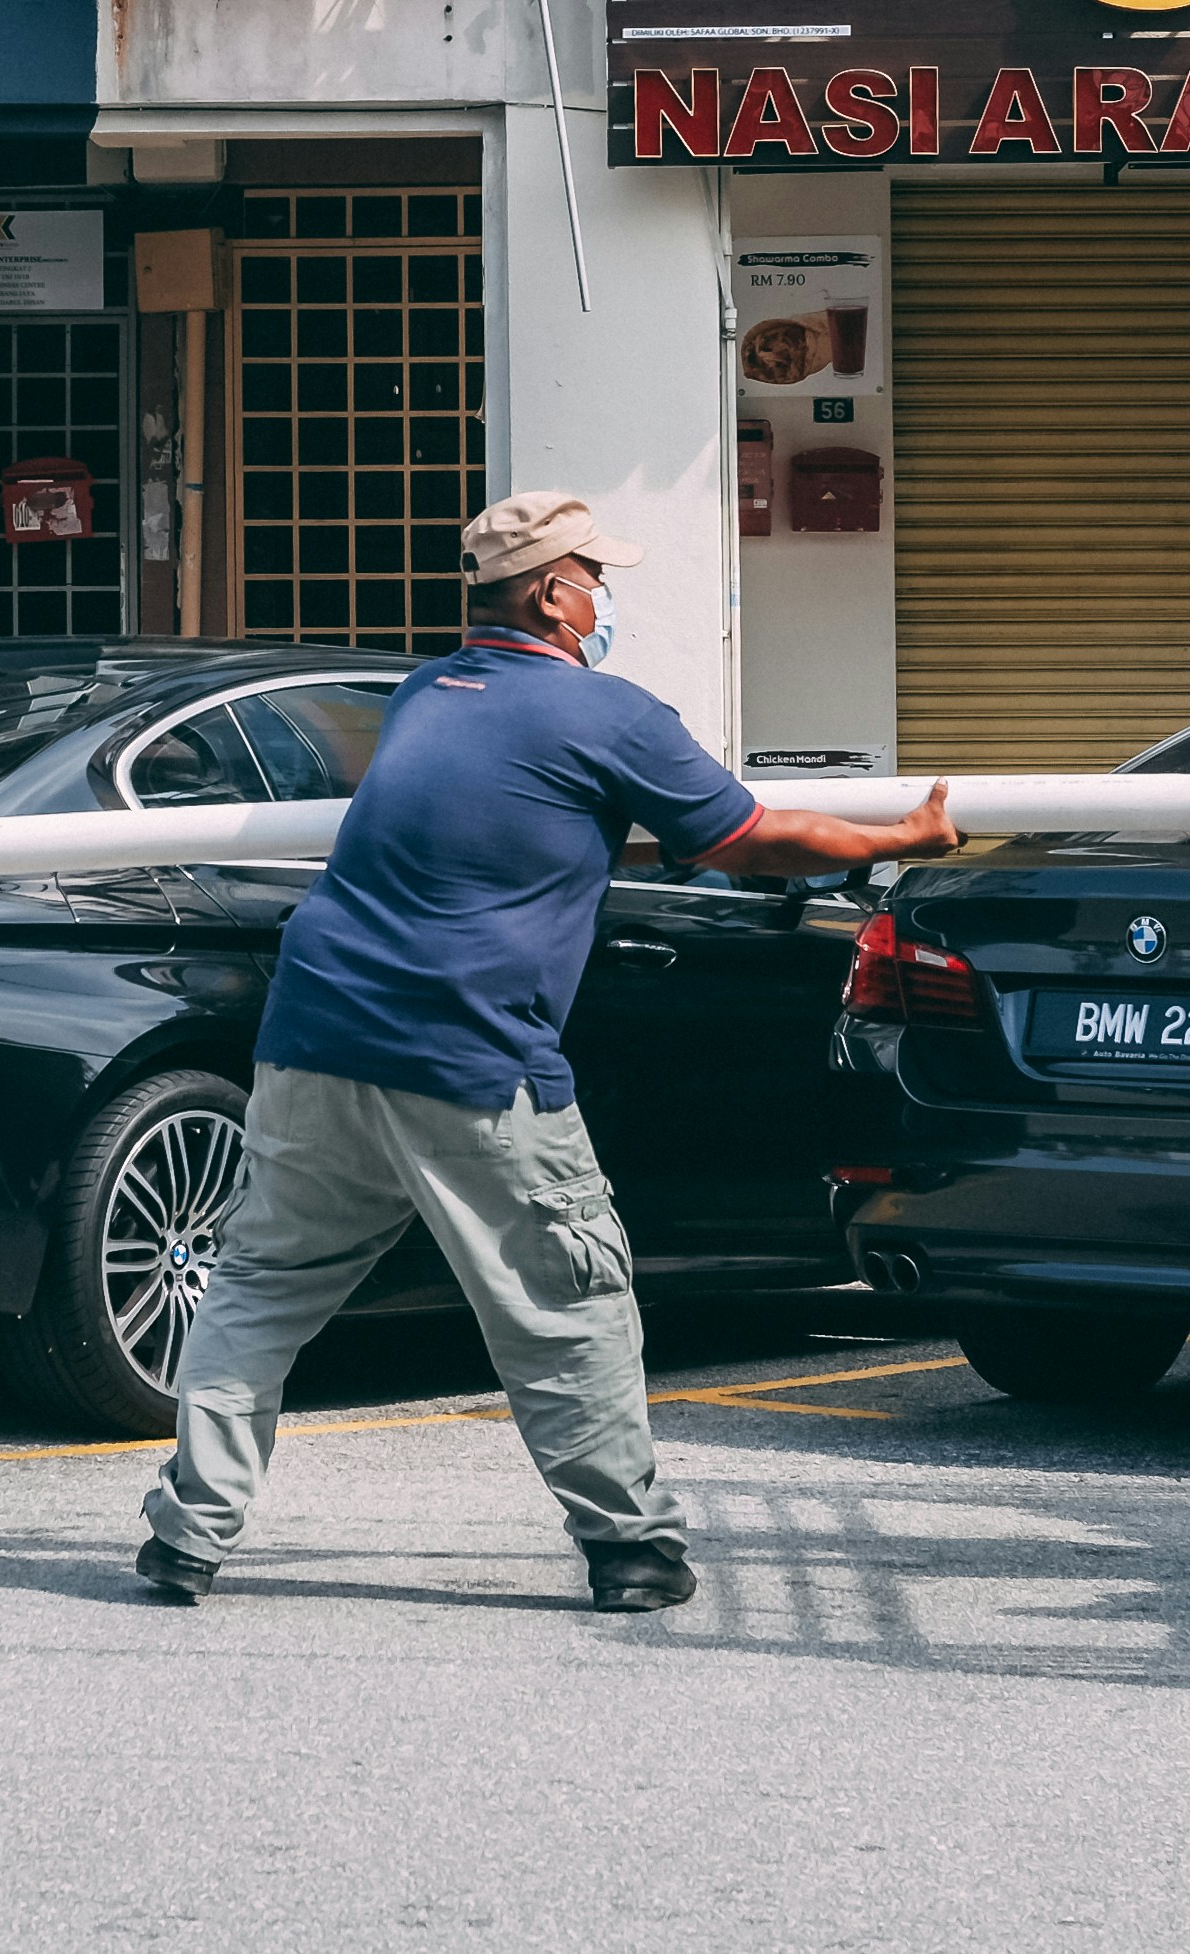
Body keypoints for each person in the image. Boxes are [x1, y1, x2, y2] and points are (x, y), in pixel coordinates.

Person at [133, 490, 962, 1615]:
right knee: (569, 1301)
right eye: (594, 574)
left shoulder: (428, 689)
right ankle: (633, 1547)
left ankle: (185, 1536)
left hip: (316, 1030)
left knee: (262, 1290)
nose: (605, 594)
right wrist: (901, 836)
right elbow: (749, 837)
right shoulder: (607, 713)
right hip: (468, 1049)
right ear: (549, 592)